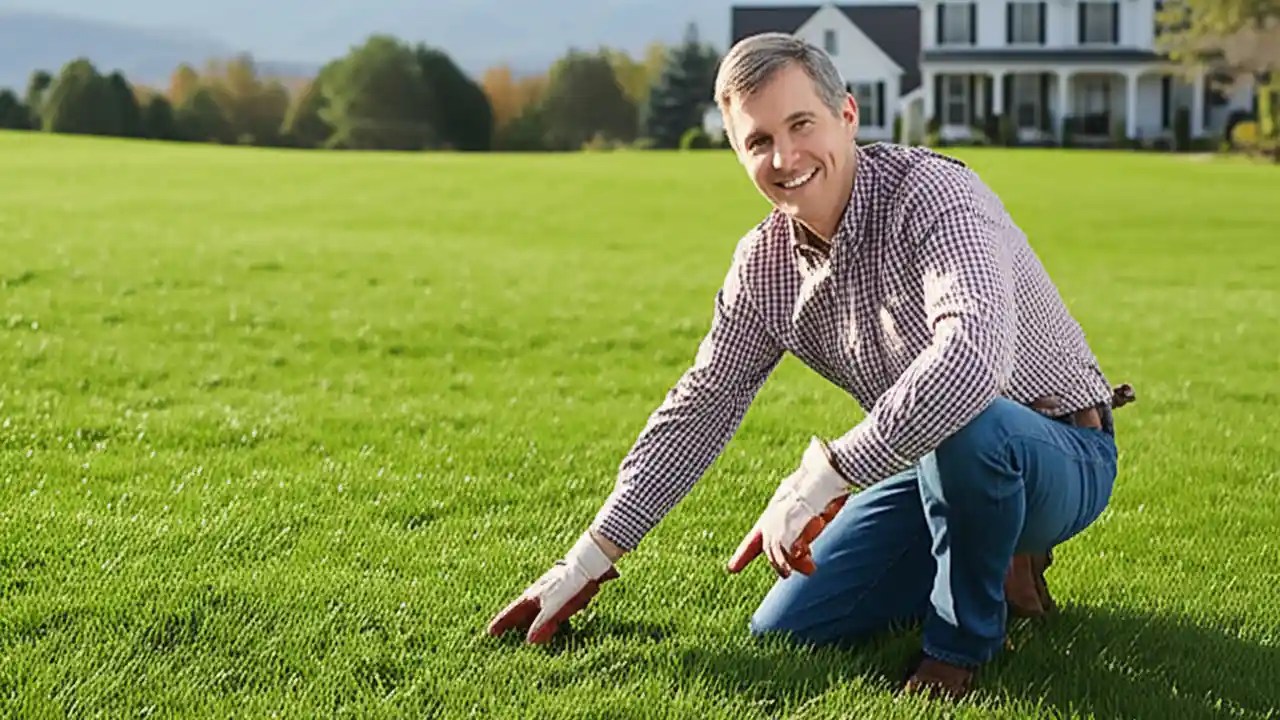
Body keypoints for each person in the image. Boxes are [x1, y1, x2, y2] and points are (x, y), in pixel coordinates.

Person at [486, 32, 1133, 700]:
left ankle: (960, 647)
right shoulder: (764, 267)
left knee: (969, 423)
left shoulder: (935, 195)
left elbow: (971, 363)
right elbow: (699, 408)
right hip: (937, 468)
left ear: (847, 116)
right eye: (758, 141)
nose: (785, 157)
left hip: (1060, 450)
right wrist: (588, 560)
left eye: (802, 125)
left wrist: (829, 475)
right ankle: (995, 557)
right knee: (789, 628)